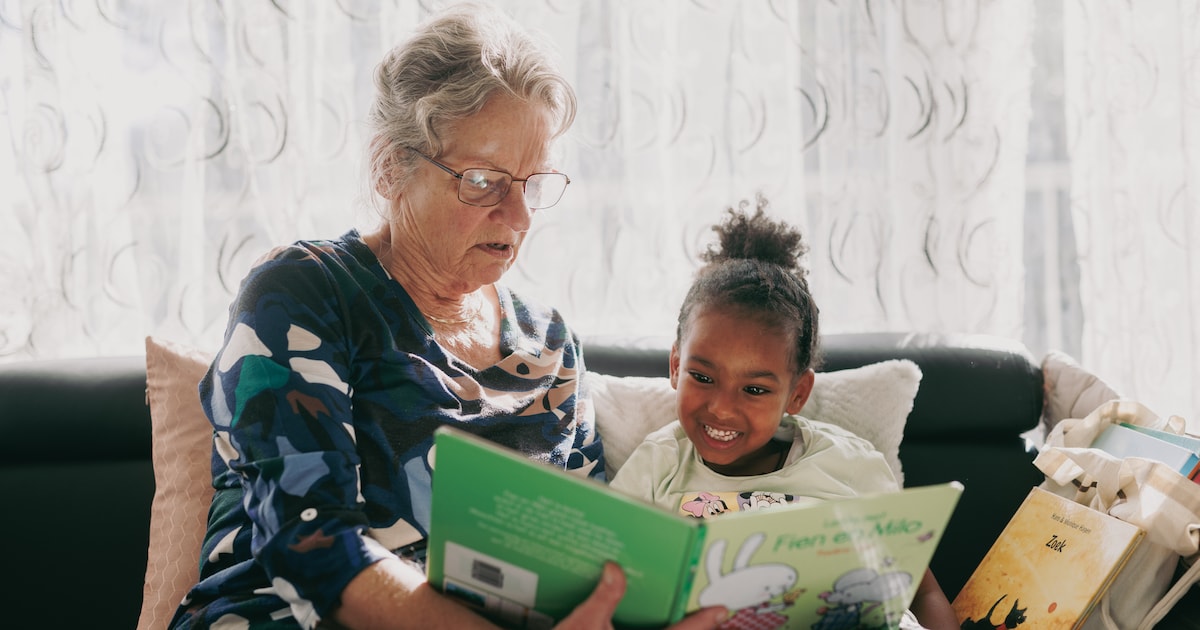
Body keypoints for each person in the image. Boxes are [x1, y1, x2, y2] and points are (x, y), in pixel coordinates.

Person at [168, 3, 726, 629]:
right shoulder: (304, 293)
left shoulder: (548, 344)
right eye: (484, 180)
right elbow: (311, 543)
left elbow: (585, 554)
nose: (518, 218)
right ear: (390, 166)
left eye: (532, 184)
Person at [608, 197, 960, 630]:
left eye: (754, 389)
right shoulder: (659, 464)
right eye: (702, 377)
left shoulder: (850, 464)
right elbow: (613, 586)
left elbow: (921, 591)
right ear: (676, 366)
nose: (721, 407)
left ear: (797, 393)